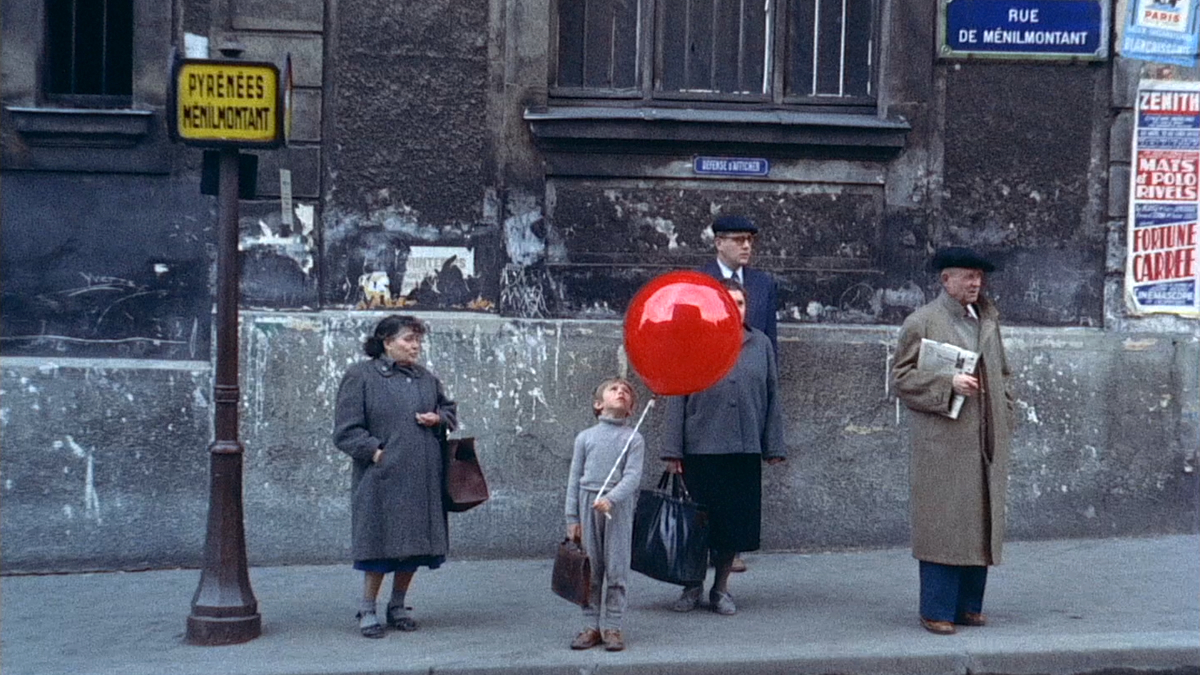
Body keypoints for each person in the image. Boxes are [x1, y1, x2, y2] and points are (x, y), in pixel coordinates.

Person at [892, 247, 1015, 635]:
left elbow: (1005, 373)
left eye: (979, 276)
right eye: (967, 276)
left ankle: (969, 606)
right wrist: (947, 384)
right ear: (945, 280)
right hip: (943, 443)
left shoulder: (988, 319)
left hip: (985, 438)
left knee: (979, 521)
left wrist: (1006, 410)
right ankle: (936, 609)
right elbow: (901, 379)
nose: (975, 282)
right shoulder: (923, 321)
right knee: (943, 524)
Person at [661, 278, 785, 615]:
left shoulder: (759, 344)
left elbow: (772, 395)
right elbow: (676, 396)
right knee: (696, 524)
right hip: (701, 447)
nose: (735, 309)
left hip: (743, 448)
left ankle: (721, 589)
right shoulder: (692, 342)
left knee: (733, 525)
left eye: (740, 303)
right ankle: (691, 587)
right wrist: (672, 450)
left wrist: (773, 444)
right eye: (727, 303)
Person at [333, 315, 458, 638]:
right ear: (387, 342)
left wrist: (438, 417)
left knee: (414, 547)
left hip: (422, 478)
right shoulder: (360, 376)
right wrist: (377, 453)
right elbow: (345, 432)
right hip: (381, 479)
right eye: (407, 340)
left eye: (418, 340)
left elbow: (449, 410)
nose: (415, 346)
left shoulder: (425, 379)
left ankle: (398, 605)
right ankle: (367, 608)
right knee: (378, 548)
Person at [698, 214, 780, 574]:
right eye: (738, 239)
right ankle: (701, 550)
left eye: (750, 239)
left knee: (739, 486)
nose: (746, 246)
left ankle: (731, 550)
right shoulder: (698, 281)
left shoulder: (762, 284)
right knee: (706, 482)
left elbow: (769, 338)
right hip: (709, 395)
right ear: (718, 243)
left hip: (747, 392)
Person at [564, 377, 646, 652]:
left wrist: (612, 499)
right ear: (598, 405)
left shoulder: (633, 439)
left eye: (627, 392)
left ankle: (613, 626)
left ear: (632, 409)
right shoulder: (585, 438)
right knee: (591, 569)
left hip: (617, 507)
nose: (621, 392)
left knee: (617, 568)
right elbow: (575, 479)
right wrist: (572, 518)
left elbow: (633, 477)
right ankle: (591, 626)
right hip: (589, 502)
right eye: (614, 389)